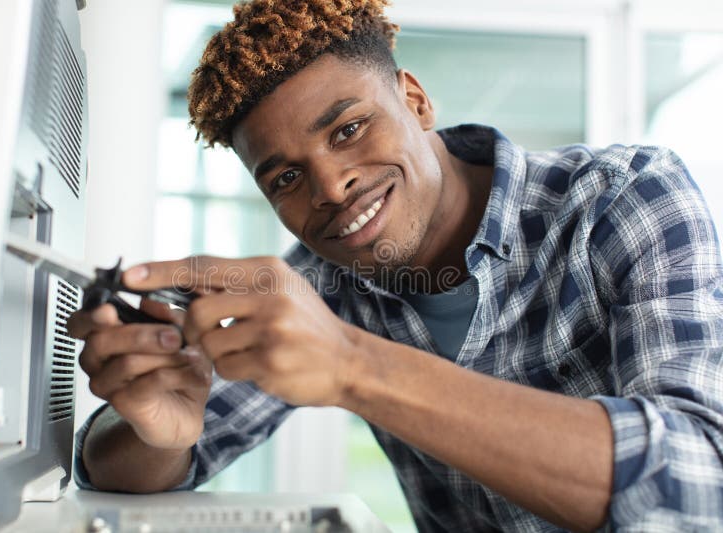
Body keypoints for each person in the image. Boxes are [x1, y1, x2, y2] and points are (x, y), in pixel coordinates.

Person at [66, 0, 723, 531]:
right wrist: (156, 426)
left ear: (414, 100)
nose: (330, 185)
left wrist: (357, 366)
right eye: (287, 176)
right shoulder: (317, 288)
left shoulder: (623, 198)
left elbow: (702, 485)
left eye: (348, 129)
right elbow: (111, 466)